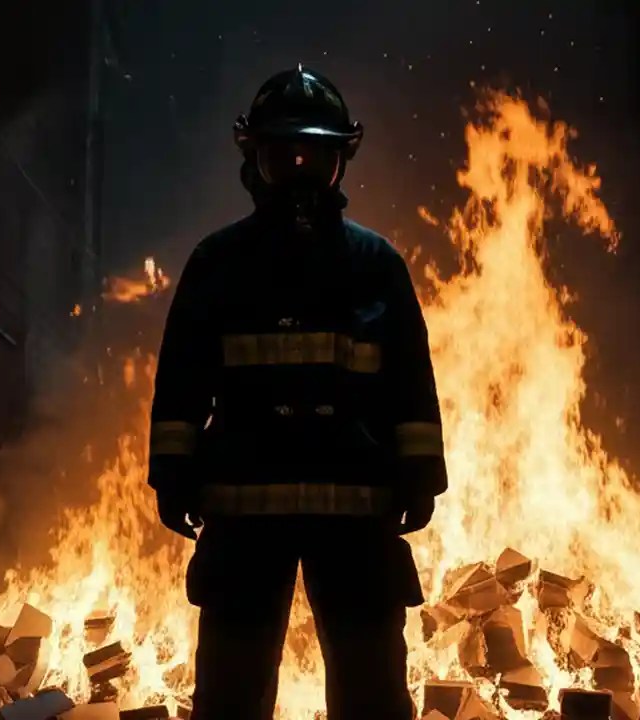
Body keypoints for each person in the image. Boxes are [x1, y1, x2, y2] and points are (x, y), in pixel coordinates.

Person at [146, 65, 448, 720]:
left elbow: (410, 385)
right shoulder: (216, 264)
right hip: (247, 519)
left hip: (355, 517)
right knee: (231, 693)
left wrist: (421, 472)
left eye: (317, 154)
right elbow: (181, 382)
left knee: (371, 694)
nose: (302, 169)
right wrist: (170, 472)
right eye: (284, 155)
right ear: (253, 158)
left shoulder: (377, 265)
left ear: (344, 158)